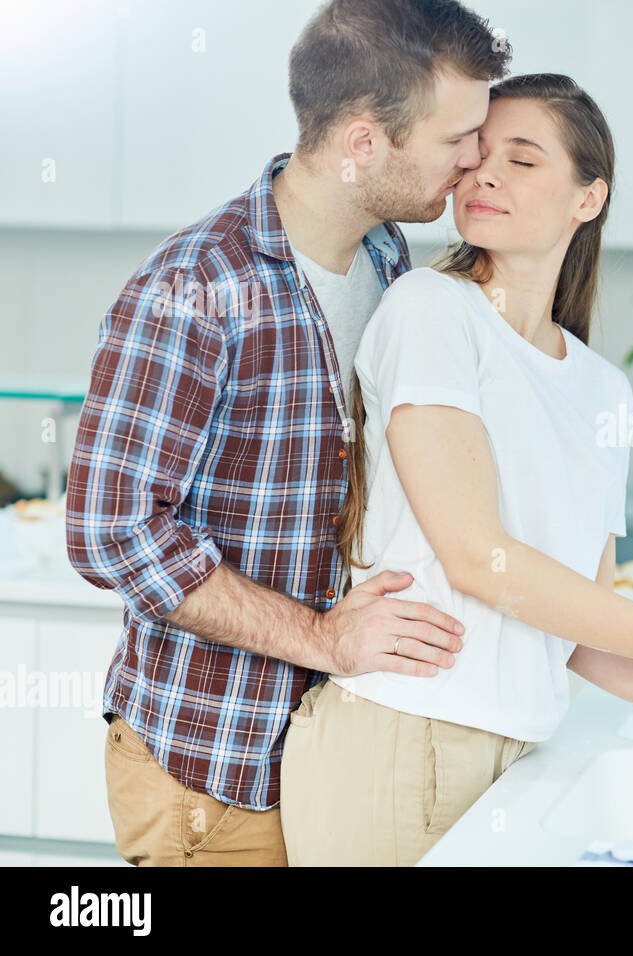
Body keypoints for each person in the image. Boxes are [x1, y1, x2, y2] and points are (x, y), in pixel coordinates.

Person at [278, 72, 633, 867]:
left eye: (524, 159)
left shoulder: (602, 388)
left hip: (513, 762)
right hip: (400, 744)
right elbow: (477, 557)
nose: (486, 174)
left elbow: (582, 634)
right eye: (477, 155)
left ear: (589, 197)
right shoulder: (432, 310)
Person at [64, 0, 508, 865]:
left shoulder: (387, 257)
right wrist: (322, 638)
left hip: (327, 753)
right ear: (363, 142)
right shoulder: (194, 286)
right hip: (216, 770)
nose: (475, 158)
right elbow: (110, 529)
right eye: (458, 136)